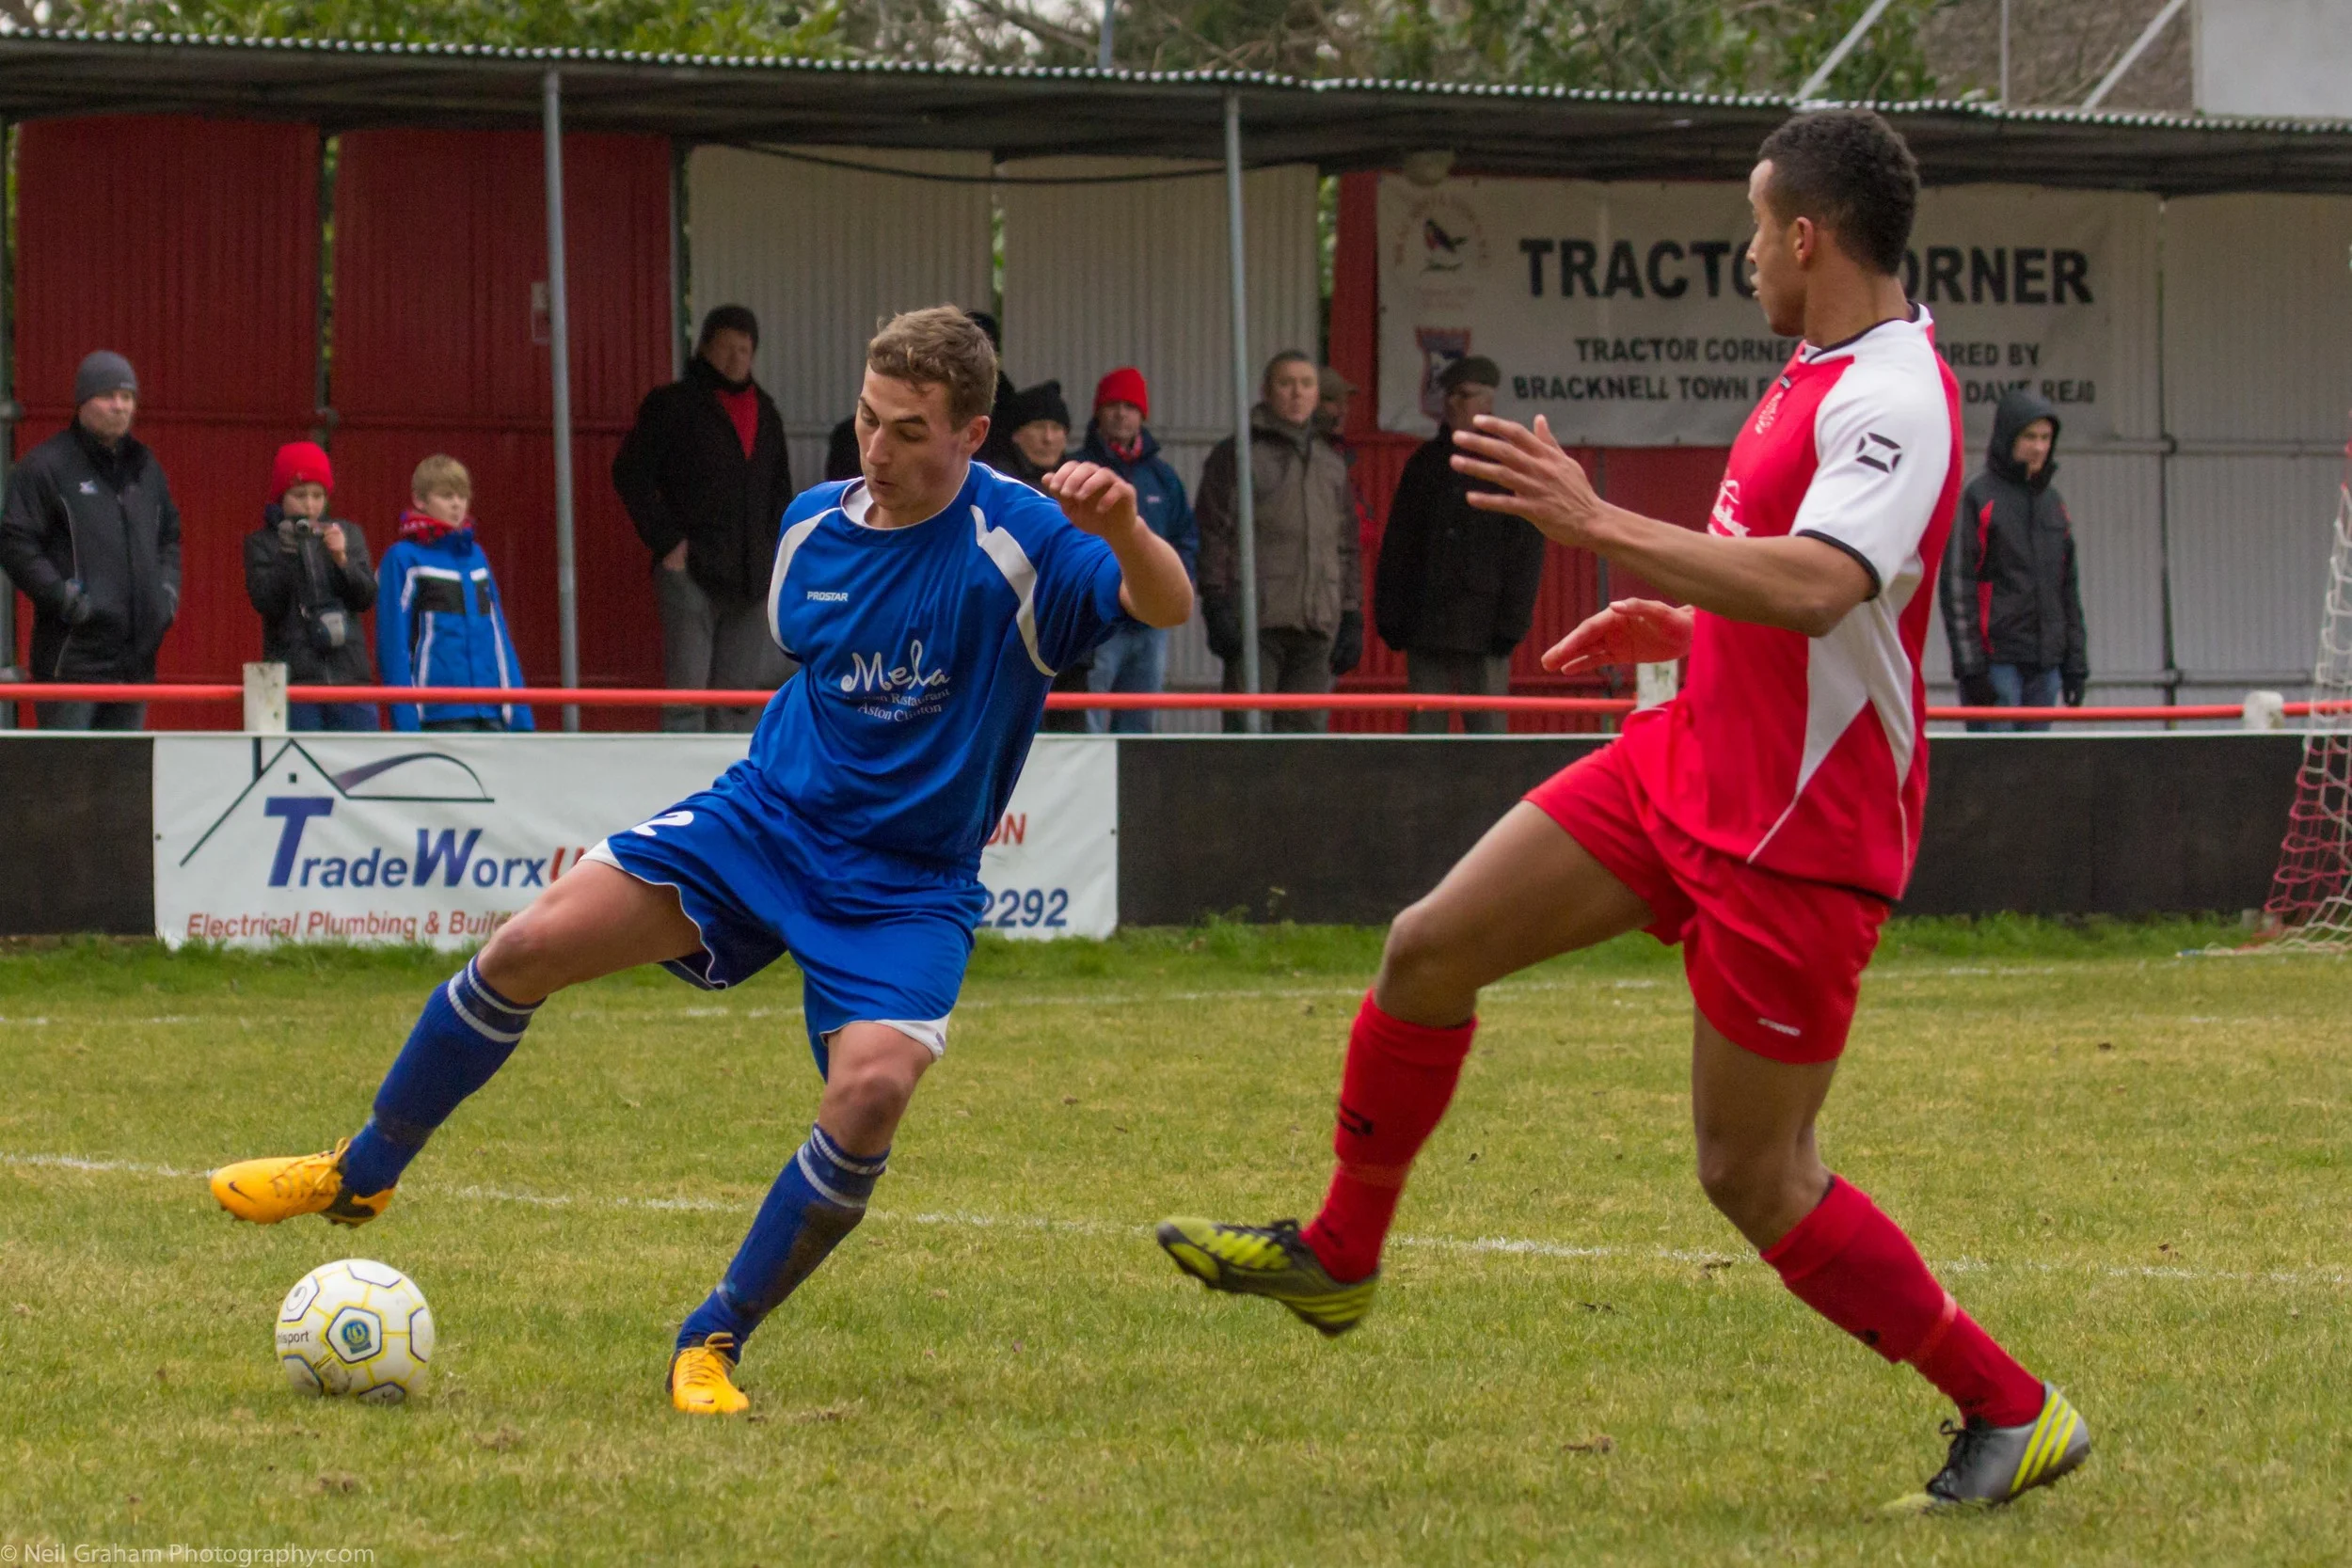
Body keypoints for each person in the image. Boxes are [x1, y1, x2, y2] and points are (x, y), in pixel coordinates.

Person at [1155, 110, 2090, 1514]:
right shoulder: (1816, 366)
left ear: (1805, 236)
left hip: (1799, 830)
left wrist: (1598, 527)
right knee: (1426, 948)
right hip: (1688, 756)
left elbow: (1822, 585)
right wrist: (1693, 621)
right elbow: (1805, 584)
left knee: (1754, 1174)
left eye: (1753, 227)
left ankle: (2012, 1407)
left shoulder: (1896, 393)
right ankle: (1340, 1255)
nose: (1744, 253)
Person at [207, 307, 1194, 1419]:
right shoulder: (814, 527)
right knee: (527, 943)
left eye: (909, 430)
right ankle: (359, 1172)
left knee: (871, 1090)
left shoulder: (1027, 539)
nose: (875, 448)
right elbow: (816, 670)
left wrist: (1124, 530)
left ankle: (712, 1337)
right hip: (765, 822)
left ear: (972, 433)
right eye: (866, 418)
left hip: (906, 883)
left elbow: (1164, 602)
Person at [613, 305, 798, 735]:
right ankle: (680, 775)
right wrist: (667, 542)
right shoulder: (671, 405)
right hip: (690, 574)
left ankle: (730, 775)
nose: (735, 359)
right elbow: (630, 473)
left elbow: (780, 493)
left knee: (737, 702)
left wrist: (773, 555)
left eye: (744, 349)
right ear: (704, 348)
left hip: (752, 580)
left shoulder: (766, 413)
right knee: (687, 699)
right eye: (726, 348)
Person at [0, 350, 181, 731]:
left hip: (135, 663)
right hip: (71, 661)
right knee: (69, 767)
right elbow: (15, 541)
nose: (120, 406)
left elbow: (169, 538)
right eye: (108, 395)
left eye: (127, 397)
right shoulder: (47, 466)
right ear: (83, 401)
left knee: (124, 768)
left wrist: (164, 596)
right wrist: (61, 596)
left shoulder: (146, 468)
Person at [1373, 356, 1547, 735]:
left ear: (1487, 402)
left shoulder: (1509, 464)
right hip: (1425, 622)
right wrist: (1391, 613)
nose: (1453, 403)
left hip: (1485, 627)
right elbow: (1398, 545)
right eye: (1449, 394)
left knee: (1488, 740)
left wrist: (1512, 623)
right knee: (1425, 739)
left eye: (1464, 395)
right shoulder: (1424, 464)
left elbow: (1526, 552)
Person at [1197, 351, 1363, 733]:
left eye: (1306, 384)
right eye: (1286, 384)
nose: (1297, 393)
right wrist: (1216, 602)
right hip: (1255, 621)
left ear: (1317, 394)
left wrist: (1352, 613)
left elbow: (1346, 545)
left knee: (1304, 739)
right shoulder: (1238, 454)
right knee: (1248, 735)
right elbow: (1213, 531)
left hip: (1317, 620)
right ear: (1266, 391)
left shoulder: (1331, 462)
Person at [1938, 388, 2088, 733]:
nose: (2039, 447)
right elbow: (1957, 585)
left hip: (2046, 666)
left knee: (2036, 766)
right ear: (2008, 437)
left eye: (2046, 438)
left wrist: (2075, 665)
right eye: (2029, 437)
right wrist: (1971, 668)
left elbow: (2068, 588)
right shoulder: (1978, 496)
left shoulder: (2054, 503)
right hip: (1995, 665)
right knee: (1996, 764)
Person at [1077, 368, 1198, 736]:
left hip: (1150, 624)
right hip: (1098, 622)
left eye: (1130, 407)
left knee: (1140, 723)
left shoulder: (1164, 478)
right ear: (1098, 412)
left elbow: (1186, 538)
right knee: (1087, 720)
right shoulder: (1079, 471)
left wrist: (1175, 586)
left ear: (1142, 415)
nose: (1121, 414)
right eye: (1113, 405)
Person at [375, 456, 533, 734]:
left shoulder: (476, 557)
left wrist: (520, 716)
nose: (457, 504)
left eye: (463, 496)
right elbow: (393, 645)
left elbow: (499, 636)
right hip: (436, 714)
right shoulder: (403, 558)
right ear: (419, 500)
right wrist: (406, 723)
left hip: (491, 709)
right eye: (447, 496)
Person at [244, 442, 379, 731]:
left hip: (349, 677)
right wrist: (287, 556)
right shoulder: (262, 543)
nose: (310, 505)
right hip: (295, 680)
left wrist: (342, 560)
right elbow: (266, 602)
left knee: (359, 757)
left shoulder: (347, 534)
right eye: (300, 495)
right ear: (281, 495)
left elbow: (366, 597)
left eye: (318, 496)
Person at [1002, 380, 1073, 486]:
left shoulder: (1079, 481)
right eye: (1038, 427)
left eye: (1056, 428)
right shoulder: (999, 483)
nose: (1048, 438)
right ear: (1016, 435)